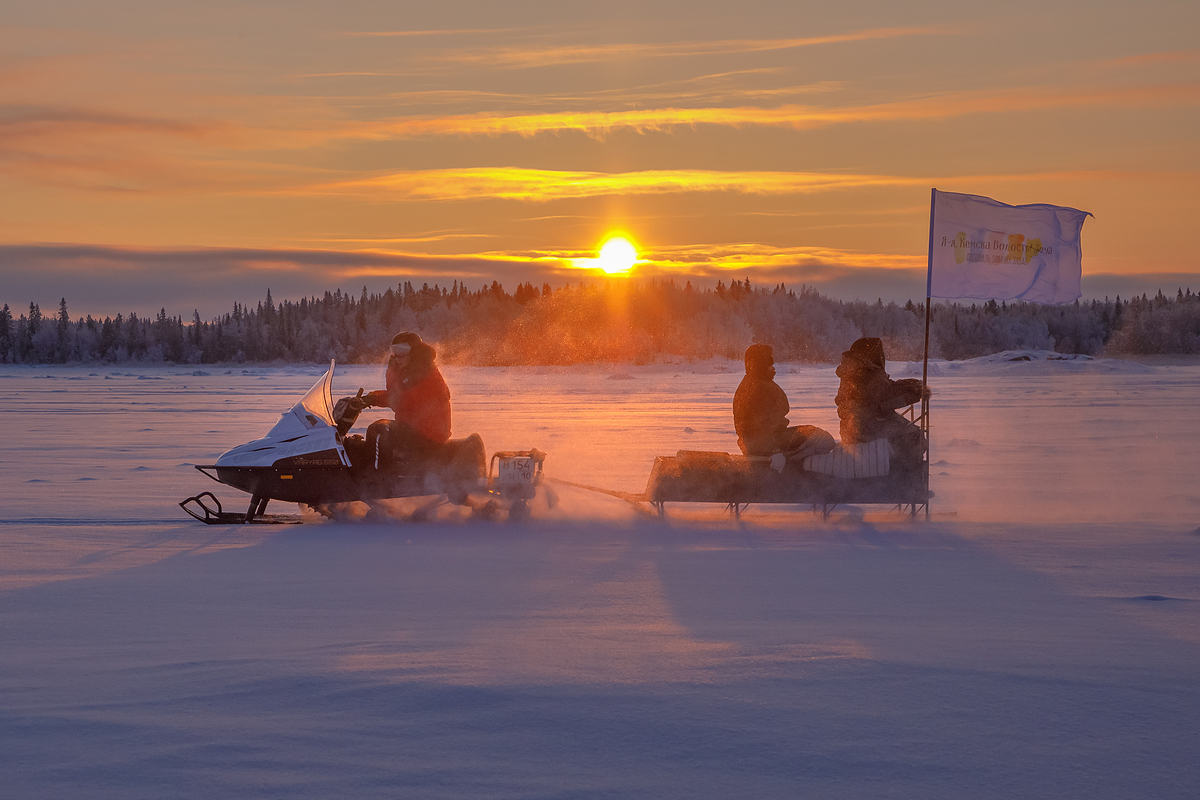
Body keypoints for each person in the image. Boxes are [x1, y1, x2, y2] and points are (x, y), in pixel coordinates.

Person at [359, 332, 452, 470]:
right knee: (381, 432)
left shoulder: (422, 371)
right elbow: (397, 395)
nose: (397, 356)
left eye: (402, 350)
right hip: (414, 427)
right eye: (394, 351)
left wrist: (371, 399)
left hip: (428, 433)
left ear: (414, 351)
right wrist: (367, 399)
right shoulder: (410, 370)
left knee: (379, 431)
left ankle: (379, 482)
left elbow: (402, 399)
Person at [733, 344, 834, 461]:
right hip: (766, 444)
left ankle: (794, 461)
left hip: (769, 440)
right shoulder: (757, 389)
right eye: (769, 364)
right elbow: (761, 427)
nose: (773, 368)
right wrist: (774, 450)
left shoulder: (756, 384)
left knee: (814, 434)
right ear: (760, 365)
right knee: (822, 439)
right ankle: (792, 464)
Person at [834, 336, 926, 462]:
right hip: (865, 430)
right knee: (915, 439)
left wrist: (909, 385)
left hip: (858, 428)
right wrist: (914, 391)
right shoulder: (864, 373)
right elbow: (886, 395)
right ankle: (902, 477)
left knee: (909, 435)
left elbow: (884, 389)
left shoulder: (856, 370)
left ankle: (898, 472)